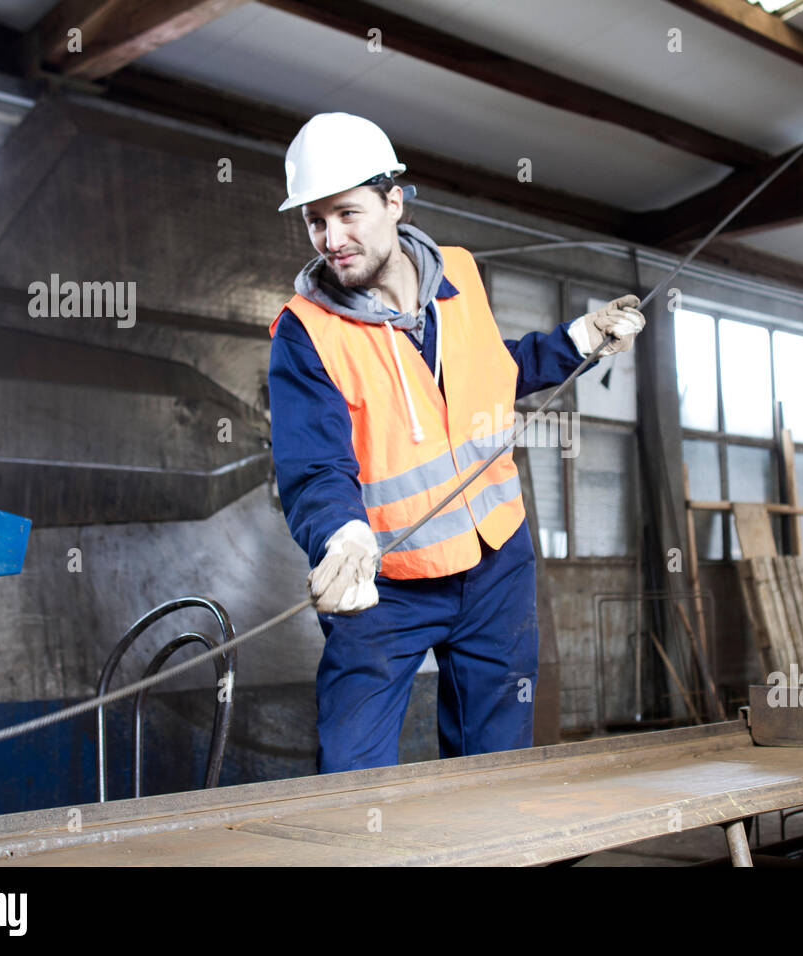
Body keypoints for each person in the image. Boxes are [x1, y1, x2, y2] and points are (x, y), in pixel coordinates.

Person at [266, 113, 645, 773]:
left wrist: (578, 340)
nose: (331, 238)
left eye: (347, 214)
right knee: (351, 774)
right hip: (387, 583)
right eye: (315, 221)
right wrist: (341, 535)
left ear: (393, 201)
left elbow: (488, 371)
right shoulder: (305, 332)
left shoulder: (460, 277)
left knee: (492, 770)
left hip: (496, 562)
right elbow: (315, 462)